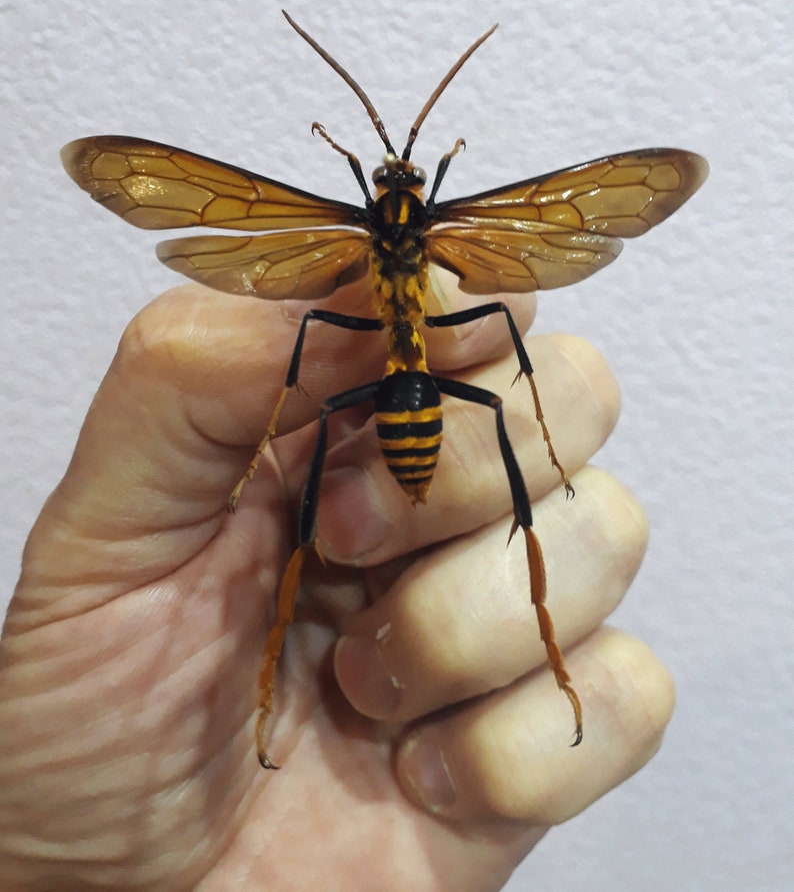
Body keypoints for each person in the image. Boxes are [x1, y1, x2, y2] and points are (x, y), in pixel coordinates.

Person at [0, 277, 673, 891]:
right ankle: (529, 623)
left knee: (468, 354)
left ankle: (539, 624)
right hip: (407, 409)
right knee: (449, 379)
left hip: (407, 408)